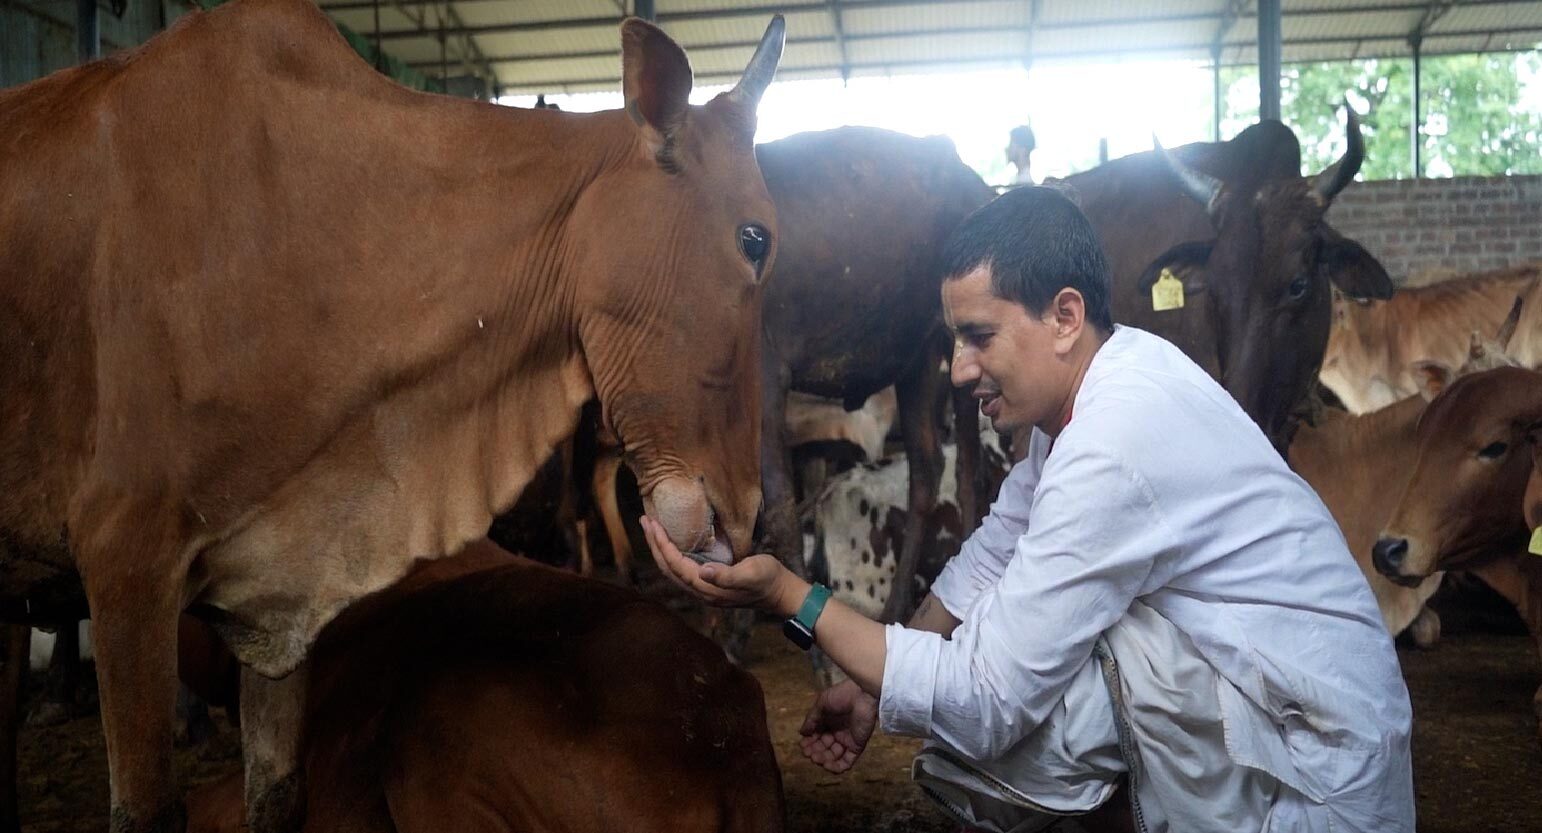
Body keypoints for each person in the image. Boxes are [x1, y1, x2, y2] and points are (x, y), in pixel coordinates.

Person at [641, 186, 1414, 833]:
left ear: (1066, 317)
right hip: (1282, 709)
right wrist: (878, 682)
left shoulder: (1115, 438)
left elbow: (987, 699)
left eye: (979, 336)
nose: (958, 369)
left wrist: (792, 596)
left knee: (1042, 672)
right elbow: (995, 549)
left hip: (1318, 774)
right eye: (953, 340)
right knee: (1026, 612)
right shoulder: (1102, 386)